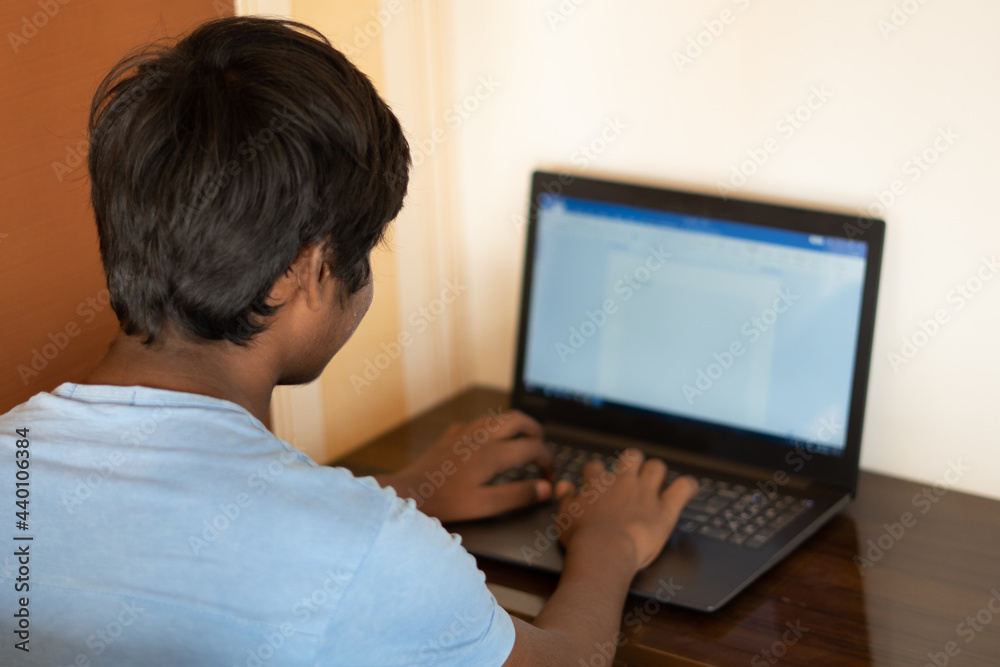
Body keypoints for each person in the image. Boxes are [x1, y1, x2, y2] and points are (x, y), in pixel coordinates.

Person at [0, 16, 697, 666]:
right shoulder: (374, 555)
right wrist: (610, 540)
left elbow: (178, 529)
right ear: (307, 270)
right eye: (366, 249)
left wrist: (405, 492)